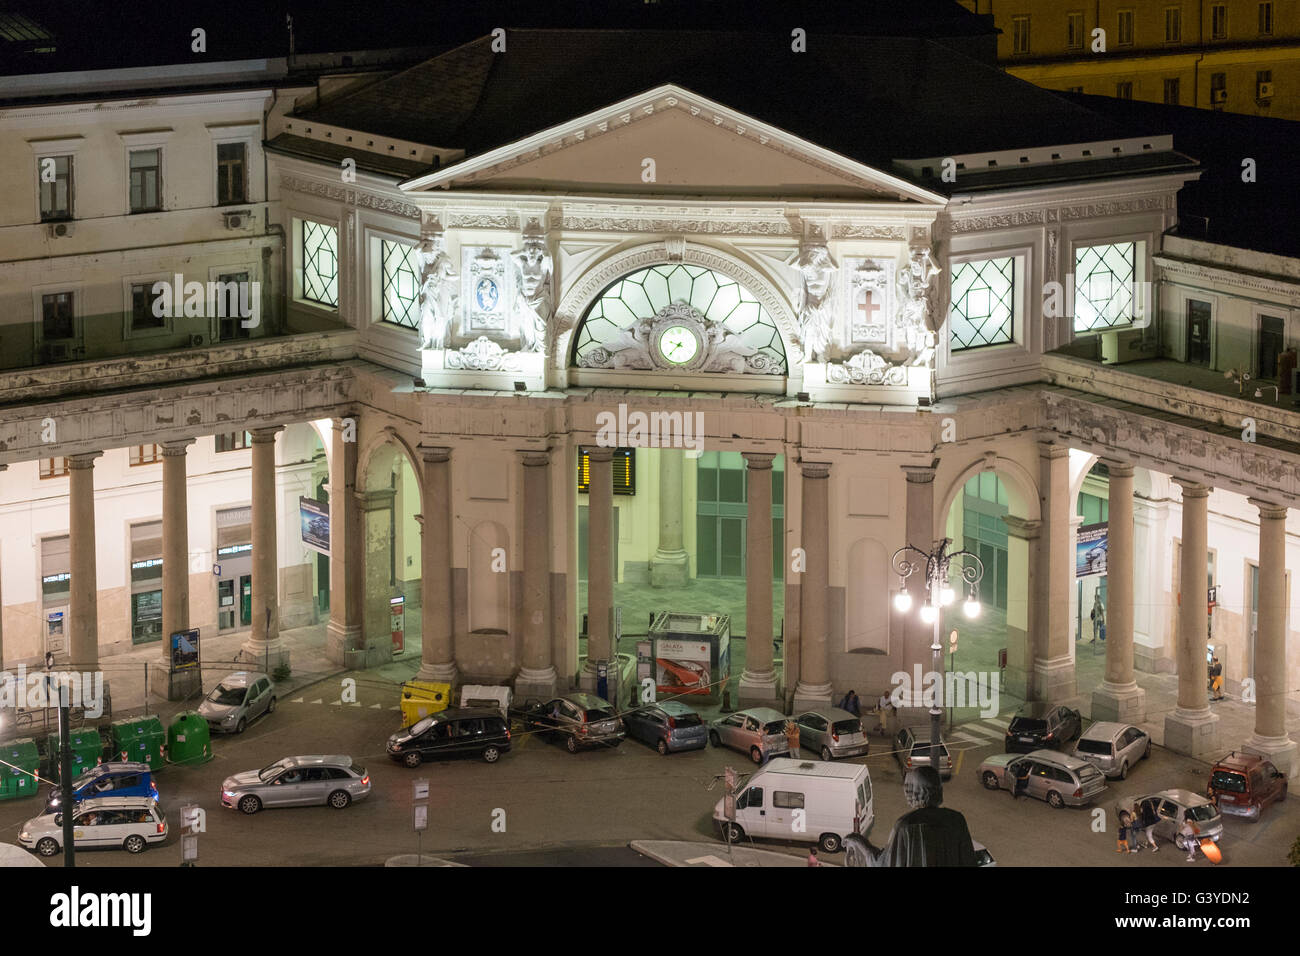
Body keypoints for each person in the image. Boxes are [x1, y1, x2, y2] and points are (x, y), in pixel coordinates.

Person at [849, 766, 978, 867]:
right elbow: (969, 861)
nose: (907, 794)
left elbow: (884, 864)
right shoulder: (956, 820)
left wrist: (860, 842)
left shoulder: (905, 826)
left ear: (917, 792)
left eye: (908, 789)